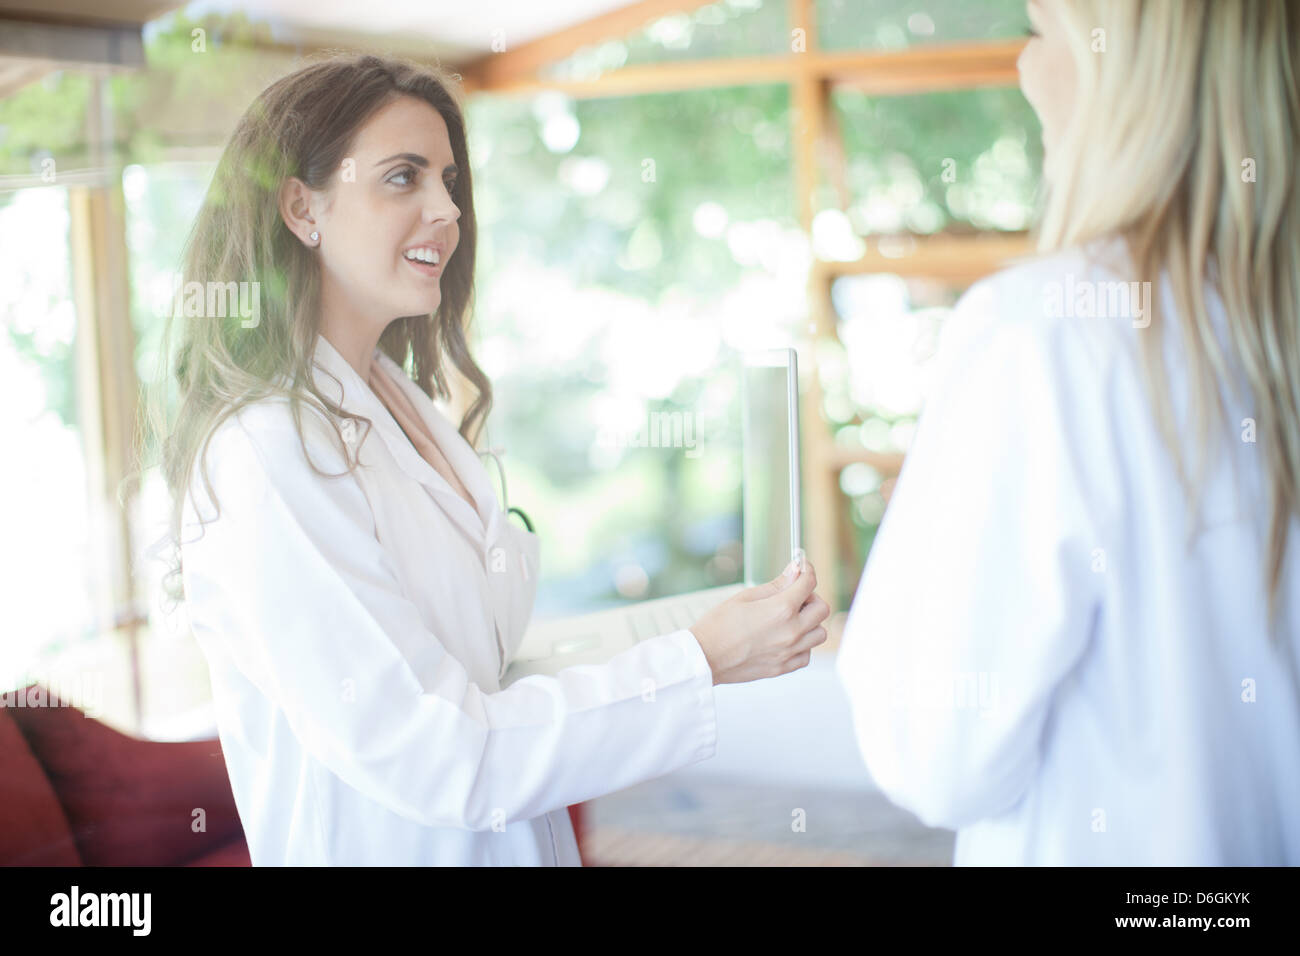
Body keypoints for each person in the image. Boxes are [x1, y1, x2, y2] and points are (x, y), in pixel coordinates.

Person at [151, 53, 829, 866]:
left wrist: (678, 636)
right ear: (303, 207)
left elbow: (479, 671)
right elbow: (439, 750)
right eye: (403, 178)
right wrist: (697, 661)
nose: (446, 209)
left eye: (448, 180)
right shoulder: (266, 451)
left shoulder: (396, 404)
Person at [836, 0, 1300, 865]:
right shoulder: (1265, 329)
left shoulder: (1043, 335)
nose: (1023, 68)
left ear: (1124, 75)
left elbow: (934, 757)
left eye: (1038, 30)